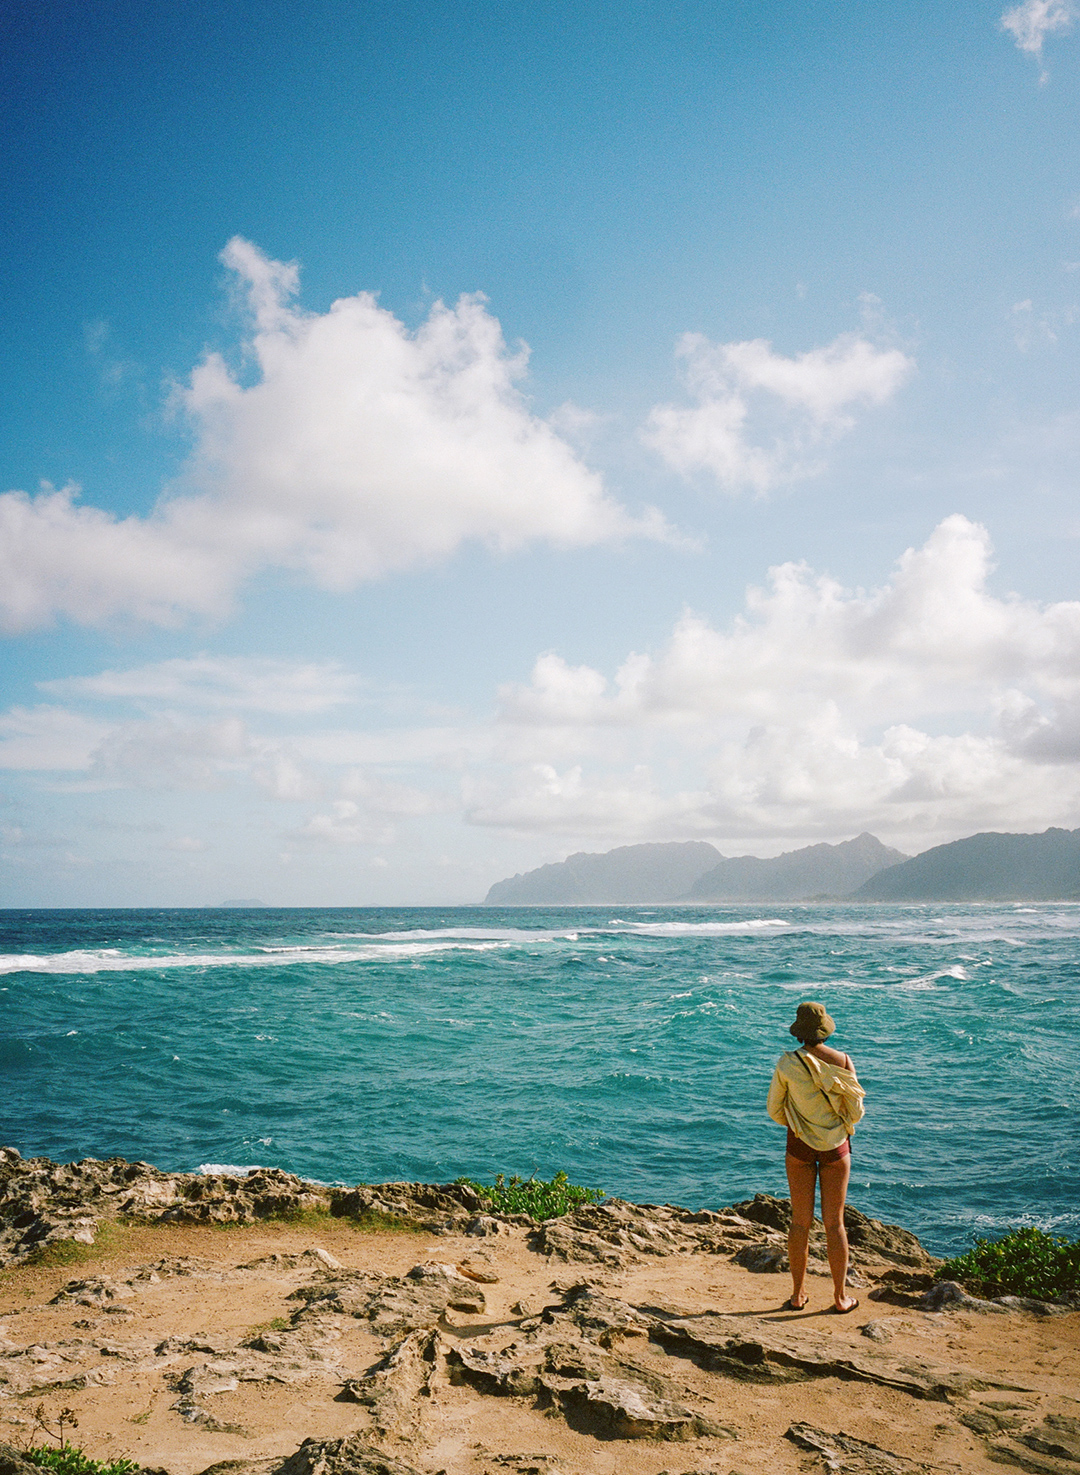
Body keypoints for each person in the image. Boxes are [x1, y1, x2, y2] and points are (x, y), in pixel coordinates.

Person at [766, 1001, 866, 1313]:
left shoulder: (786, 1064)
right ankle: (840, 1298)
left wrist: (799, 1124)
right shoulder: (844, 1061)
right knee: (835, 1223)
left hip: (799, 1147)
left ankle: (797, 1295)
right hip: (836, 1148)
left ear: (799, 1033)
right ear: (825, 1030)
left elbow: (774, 1109)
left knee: (799, 1222)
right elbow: (857, 1111)